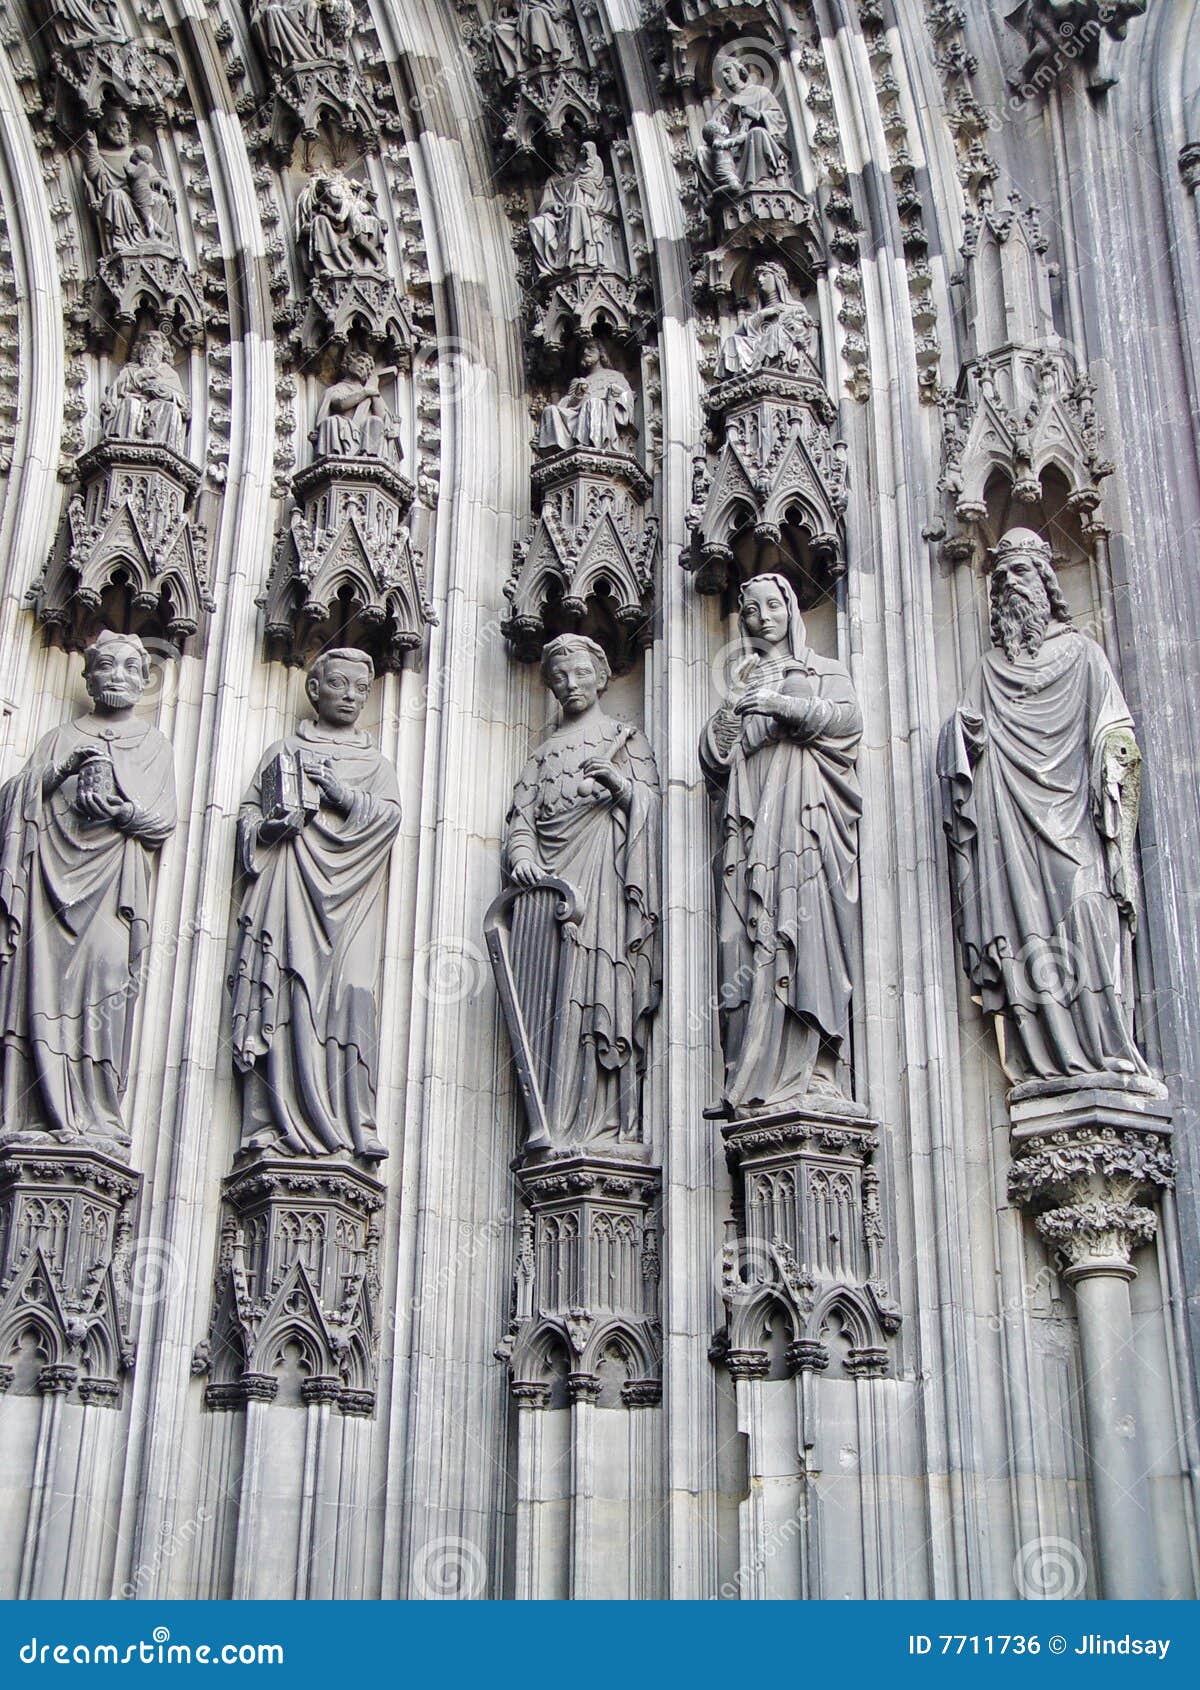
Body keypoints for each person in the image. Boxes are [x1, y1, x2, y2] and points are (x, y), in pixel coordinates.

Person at [939, 527, 1150, 1084]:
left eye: (1021, 572)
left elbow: (1114, 728)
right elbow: (964, 743)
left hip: (1073, 820)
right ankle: (1047, 1063)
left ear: (1046, 581)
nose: (1009, 583)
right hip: (1011, 831)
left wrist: (1112, 758)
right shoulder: (988, 672)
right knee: (1024, 936)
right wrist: (959, 736)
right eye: (1000, 577)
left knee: (1088, 909)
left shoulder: (1083, 655)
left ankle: (1104, 1050)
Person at [0, 632, 176, 1148]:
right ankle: (32, 1111)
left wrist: (125, 812)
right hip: (47, 889)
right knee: (37, 988)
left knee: (106, 985)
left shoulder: (154, 745)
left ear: (144, 680)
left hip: (112, 890)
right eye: (105, 666)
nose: (117, 676)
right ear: (88, 677)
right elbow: (13, 801)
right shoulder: (59, 738)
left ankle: (96, 1112)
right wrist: (61, 770)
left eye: (130, 668)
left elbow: (162, 819)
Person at [230, 649, 401, 1161]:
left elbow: (389, 819)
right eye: (339, 684)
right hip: (289, 888)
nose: (350, 696)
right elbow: (249, 816)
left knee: (353, 995)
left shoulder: (376, 764)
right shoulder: (285, 751)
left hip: (353, 899)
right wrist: (269, 827)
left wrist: (339, 792)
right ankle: (271, 1122)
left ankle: (353, 1120)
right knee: (284, 991)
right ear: (314, 689)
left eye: (360, 689)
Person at [700, 574, 863, 1115]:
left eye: (773, 604)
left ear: (791, 609)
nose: (763, 616)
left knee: (806, 930)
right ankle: (751, 1073)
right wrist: (730, 715)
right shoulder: (742, 682)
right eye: (751, 609)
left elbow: (848, 722)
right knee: (742, 939)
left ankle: (815, 1070)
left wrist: (780, 705)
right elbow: (718, 759)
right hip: (750, 832)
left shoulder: (824, 672)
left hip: (805, 823)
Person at [501, 634, 660, 1148]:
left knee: (600, 996)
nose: (571, 684)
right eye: (560, 677)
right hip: (548, 901)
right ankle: (555, 1120)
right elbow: (521, 822)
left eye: (581, 673)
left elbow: (652, 812)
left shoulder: (624, 740)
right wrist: (522, 857)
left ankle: (604, 1123)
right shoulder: (541, 757)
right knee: (552, 1005)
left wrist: (621, 787)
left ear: (602, 677)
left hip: (604, 895)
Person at [698, 57, 790, 196]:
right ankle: (724, 191)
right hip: (730, 149)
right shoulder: (724, 105)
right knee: (702, 151)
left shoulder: (760, 92)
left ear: (739, 71)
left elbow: (779, 120)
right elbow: (713, 130)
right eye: (722, 75)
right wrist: (731, 109)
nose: (725, 76)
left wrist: (757, 116)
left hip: (752, 143)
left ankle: (761, 180)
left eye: (728, 70)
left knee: (757, 132)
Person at [528, 144, 621, 278]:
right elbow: (544, 206)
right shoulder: (552, 180)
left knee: (576, 209)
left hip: (583, 212)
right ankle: (550, 269)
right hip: (560, 218)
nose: (569, 159)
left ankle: (577, 258)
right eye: (565, 155)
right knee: (536, 223)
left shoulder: (586, 173)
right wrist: (553, 205)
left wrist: (594, 194)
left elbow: (605, 197)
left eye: (571, 155)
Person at [716, 263, 821, 379]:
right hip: (758, 345)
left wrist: (794, 327)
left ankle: (774, 369)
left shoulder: (794, 307)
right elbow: (741, 333)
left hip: (782, 345)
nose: (760, 280)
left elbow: (804, 333)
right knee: (731, 341)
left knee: (775, 330)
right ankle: (742, 376)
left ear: (777, 279)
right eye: (758, 279)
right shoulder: (761, 312)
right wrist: (763, 314)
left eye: (765, 275)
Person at [100, 329, 189, 453]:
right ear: (139, 348)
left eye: (155, 339)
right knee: (130, 404)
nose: (150, 342)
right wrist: (138, 380)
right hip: (134, 401)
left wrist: (162, 393)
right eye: (145, 340)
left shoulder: (169, 373)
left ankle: (164, 451)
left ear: (164, 350)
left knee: (171, 409)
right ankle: (124, 448)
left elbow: (182, 401)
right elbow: (115, 392)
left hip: (158, 405)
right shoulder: (129, 370)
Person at [537, 342, 635, 454]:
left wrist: (613, 398)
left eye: (590, 348)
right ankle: (557, 451)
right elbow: (566, 406)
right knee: (550, 410)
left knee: (593, 403)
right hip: (577, 418)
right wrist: (577, 395)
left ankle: (595, 448)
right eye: (583, 350)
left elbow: (627, 398)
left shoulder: (614, 375)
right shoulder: (579, 381)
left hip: (603, 416)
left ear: (600, 353)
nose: (585, 352)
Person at [312, 349, 402, 465]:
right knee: (332, 421)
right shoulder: (336, 389)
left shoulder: (371, 390)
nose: (363, 367)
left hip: (364, 434)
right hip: (342, 430)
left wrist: (374, 393)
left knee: (375, 421)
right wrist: (365, 392)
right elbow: (340, 403)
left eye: (367, 367)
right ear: (348, 364)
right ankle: (336, 459)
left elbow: (383, 418)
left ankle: (370, 459)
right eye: (360, 361)